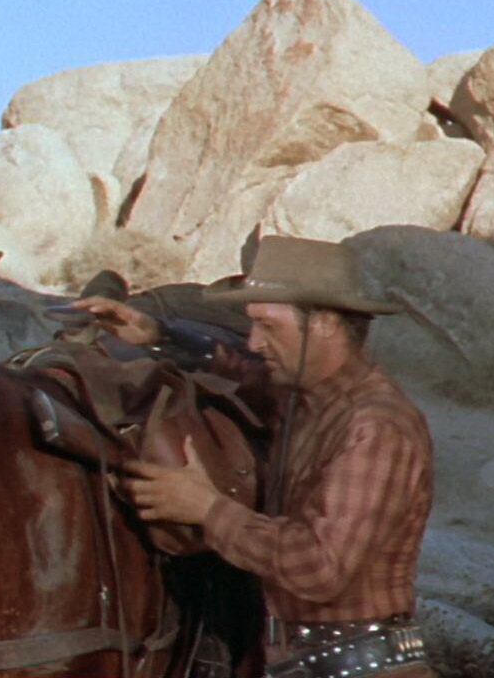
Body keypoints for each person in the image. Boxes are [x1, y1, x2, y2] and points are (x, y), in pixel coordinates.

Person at [76, 236, 436, 678]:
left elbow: (320, 567)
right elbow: (242, 370)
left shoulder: (377, 426)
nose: (255, 341)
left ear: (324, 323)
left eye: (268, 326)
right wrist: (157, 335)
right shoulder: (305, 398)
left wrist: (205, 507)